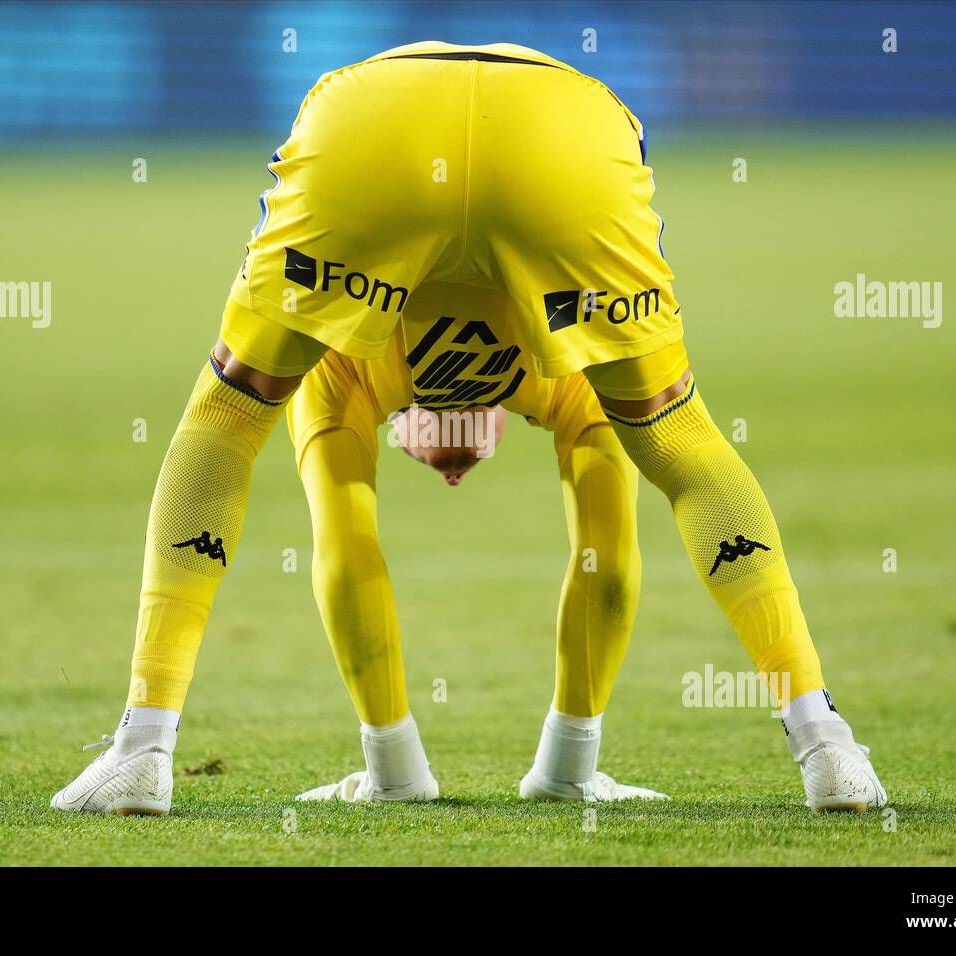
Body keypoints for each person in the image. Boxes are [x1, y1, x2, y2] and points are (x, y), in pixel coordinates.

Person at [52, 41, 886, 816]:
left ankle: (149, 749)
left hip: (370, 133)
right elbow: (610, 553)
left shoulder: (340, 365)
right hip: (563, 138)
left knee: (227, 418)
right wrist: (572, 767)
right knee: (682, 445)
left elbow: (345, 545)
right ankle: (824, 743)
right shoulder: (568, 373)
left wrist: (392, 778)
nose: (451, 466)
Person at [289, 281, 663, 803]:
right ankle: (570, 767)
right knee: (623, 521)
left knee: (253, 443)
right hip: (546, 320)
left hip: (372, 315)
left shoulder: (349, 368)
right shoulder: (561, 367)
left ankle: (394, 773)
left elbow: (449, 438)